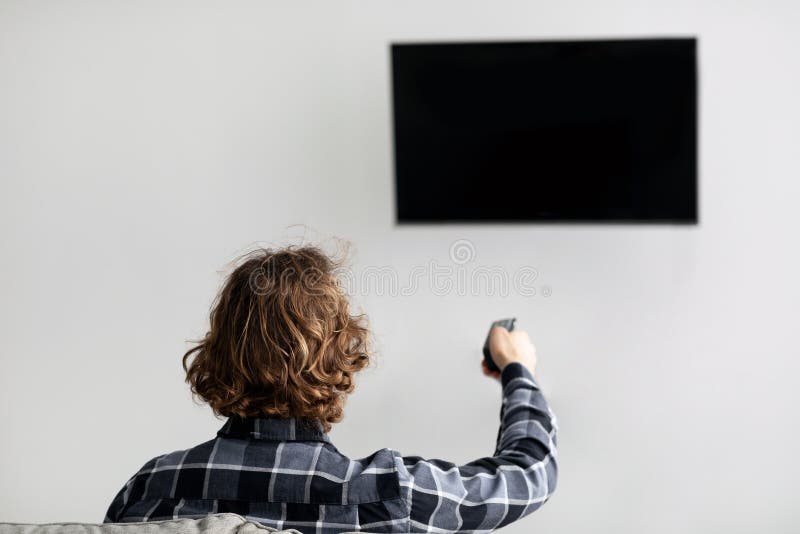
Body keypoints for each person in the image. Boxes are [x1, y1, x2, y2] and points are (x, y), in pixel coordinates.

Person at [104, 245, 558, 533]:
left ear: (219, 352)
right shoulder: (388, 495)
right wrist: (517, 367)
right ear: (341, 356)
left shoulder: (149, 491)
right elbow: (528, 475)